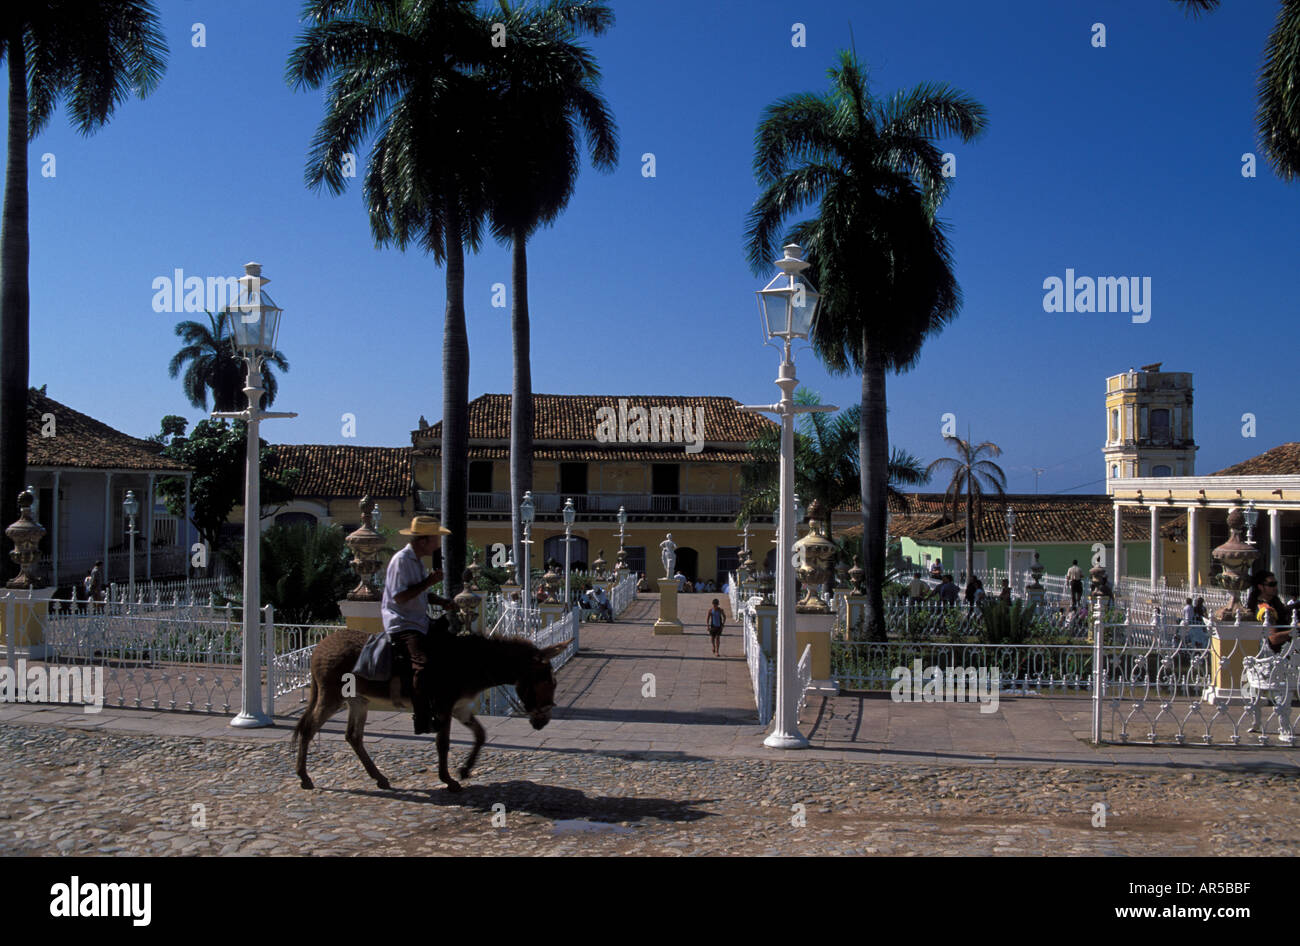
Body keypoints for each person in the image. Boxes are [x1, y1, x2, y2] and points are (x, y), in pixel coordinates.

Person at [381, 515, 459, 735]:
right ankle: (421, 718)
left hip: (419, 621)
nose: (438, 544)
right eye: (436, 539)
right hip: (403, 624)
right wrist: (429, 582)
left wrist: (442, 601)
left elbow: (419, 592)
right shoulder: (402, 560)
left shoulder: (415, 561)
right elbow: (400, 597)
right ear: (424, 541)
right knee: (421, 666)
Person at [1246, 570, 1293, 651]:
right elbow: (1274, 638)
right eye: (1272, 584)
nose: (1275, 587)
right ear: (1260, 587)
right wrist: (1296, 629)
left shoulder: (1274, 602)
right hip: (1272, 655)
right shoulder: (1265, 609)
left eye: (1275, 584)